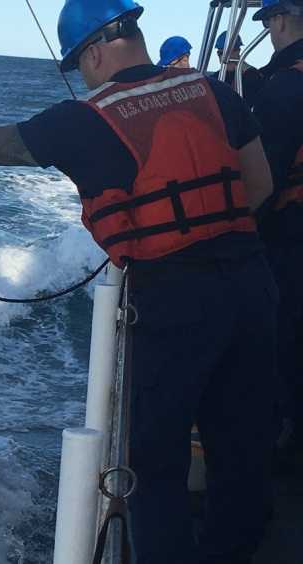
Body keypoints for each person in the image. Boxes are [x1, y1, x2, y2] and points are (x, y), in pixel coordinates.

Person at [0, 1, 278, 561]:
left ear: (96, 52)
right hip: (253, 286)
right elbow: (261, 184)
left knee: (156, 465)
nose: (83, 76)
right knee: (242, 452)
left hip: (177, 303)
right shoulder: (216, 93)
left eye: (79, 64)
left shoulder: (85, 119)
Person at [252, 0, 303, 459]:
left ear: (280, 20)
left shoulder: (286, 88)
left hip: (289, 240)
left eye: (267, 22)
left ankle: (282, 445)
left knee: (283, 340)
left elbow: (263, 181)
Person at [210, 32, 265, 107]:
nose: (226, 57)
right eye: (221, 53)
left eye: (230, 52)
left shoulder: (251, 77)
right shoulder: (214, 79)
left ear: (238, 51)